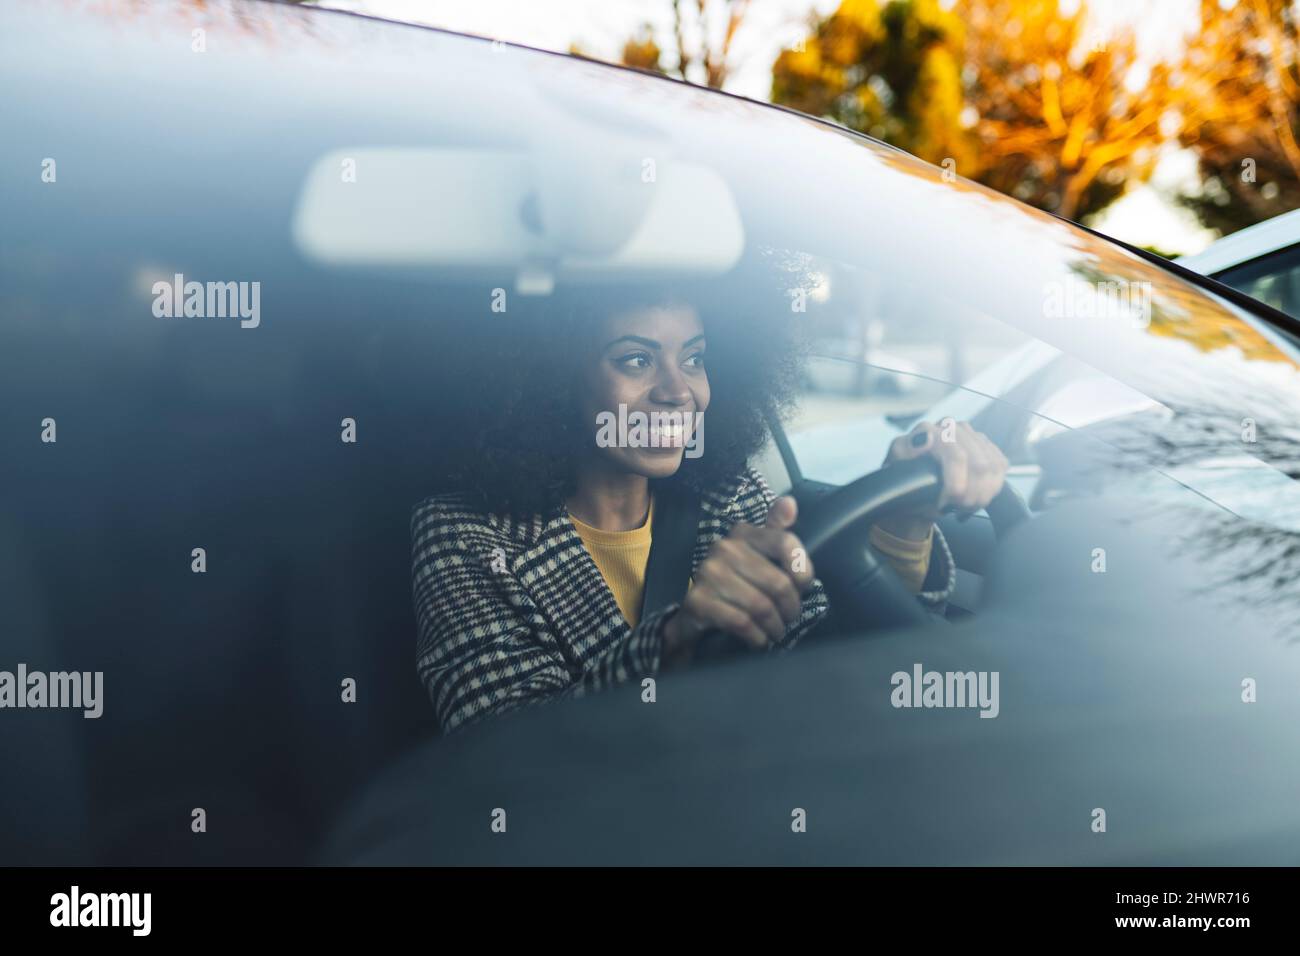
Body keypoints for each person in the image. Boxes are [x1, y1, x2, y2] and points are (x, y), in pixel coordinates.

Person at [413, 295, 1008, 734]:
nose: (679, 392)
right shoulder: (464, 533)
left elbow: (826, 661)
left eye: (693, 359)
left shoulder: (724, 489)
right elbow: (499, 757)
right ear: (550, 380)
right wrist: (676, 639)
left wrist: (902, 527)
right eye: (636, 361)